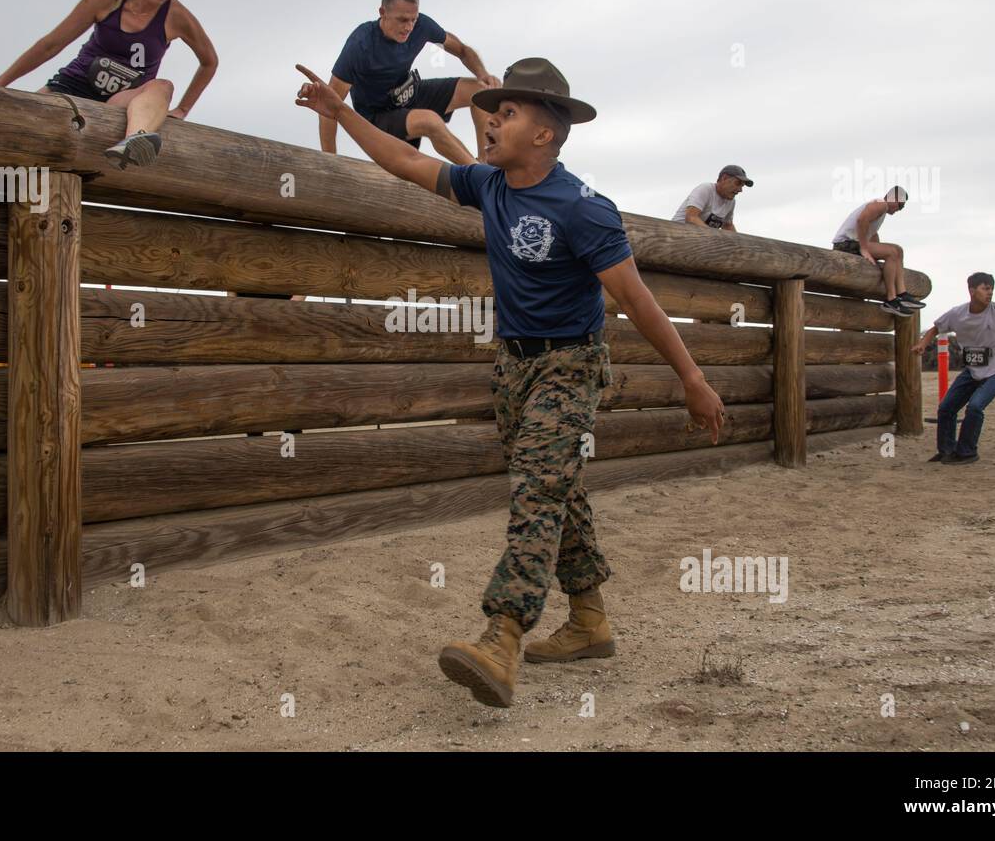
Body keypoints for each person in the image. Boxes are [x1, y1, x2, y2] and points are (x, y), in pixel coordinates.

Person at [294, 57, 725, 708]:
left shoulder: (583, 210)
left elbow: (638, 301)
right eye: (491, 112)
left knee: (535, 490)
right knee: (556, 486)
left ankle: (503, 634)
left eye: (508, 113)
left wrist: (693, 379)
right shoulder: (487, 185)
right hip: (513, 367)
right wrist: (342, 113)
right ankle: (588, 622)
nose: (490, 121)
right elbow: (408, 164)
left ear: (544, 135)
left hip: (570, 364)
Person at [0, 0, 218, 169]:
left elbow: (209, 61)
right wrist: (1, 83)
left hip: (120, 100)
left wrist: (182, 109)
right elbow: (52, 44)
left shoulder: (176, 16)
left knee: (163, 86)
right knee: (11, 138)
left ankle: (134, 140)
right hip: (71, 87)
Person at [321, 0, 501, 164]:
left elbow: (461, 50)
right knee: (430, 121)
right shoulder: (361, 44)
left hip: (408, 95)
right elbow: (329, 105)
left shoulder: (422, 25)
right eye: (402, 20)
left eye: (412, 20)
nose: (408, 27)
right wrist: (331, 161)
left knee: (483, 91)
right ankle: (477, 175)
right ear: (383, 13)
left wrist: (483, 74)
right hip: (378, 118)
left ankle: (487, 165)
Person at [911, 272, 995, 465]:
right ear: (972, 290)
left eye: (992, 288)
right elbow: (936, 327)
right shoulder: (958, 314)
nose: (990, 292)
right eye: (985, 288)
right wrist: (923, 343)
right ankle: (947, 451)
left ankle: (967, 452)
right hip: (973, 370)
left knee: (975, 407)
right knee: (946, 408)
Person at [831, 187, 926, 317]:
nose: (900, 209)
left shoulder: (882, 211)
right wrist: (864, 249)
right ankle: (891, 299)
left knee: (898, 250)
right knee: (892, 252)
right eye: (901, 205)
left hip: (853, 242)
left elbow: (872, 234)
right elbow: (862, 220)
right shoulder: (880, 204)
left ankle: (902, 293)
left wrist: (880, 254)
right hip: (845, 244)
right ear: (893, 199)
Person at [672, 166, 751, 230]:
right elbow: (691, 218)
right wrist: (715, 236)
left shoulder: (731, 201)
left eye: (742, 186)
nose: (740, 190)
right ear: (724, 178)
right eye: (737, 183)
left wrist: (740, 247)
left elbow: (727, 226)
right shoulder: (706, 189)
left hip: (699, 242)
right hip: (675, 235)